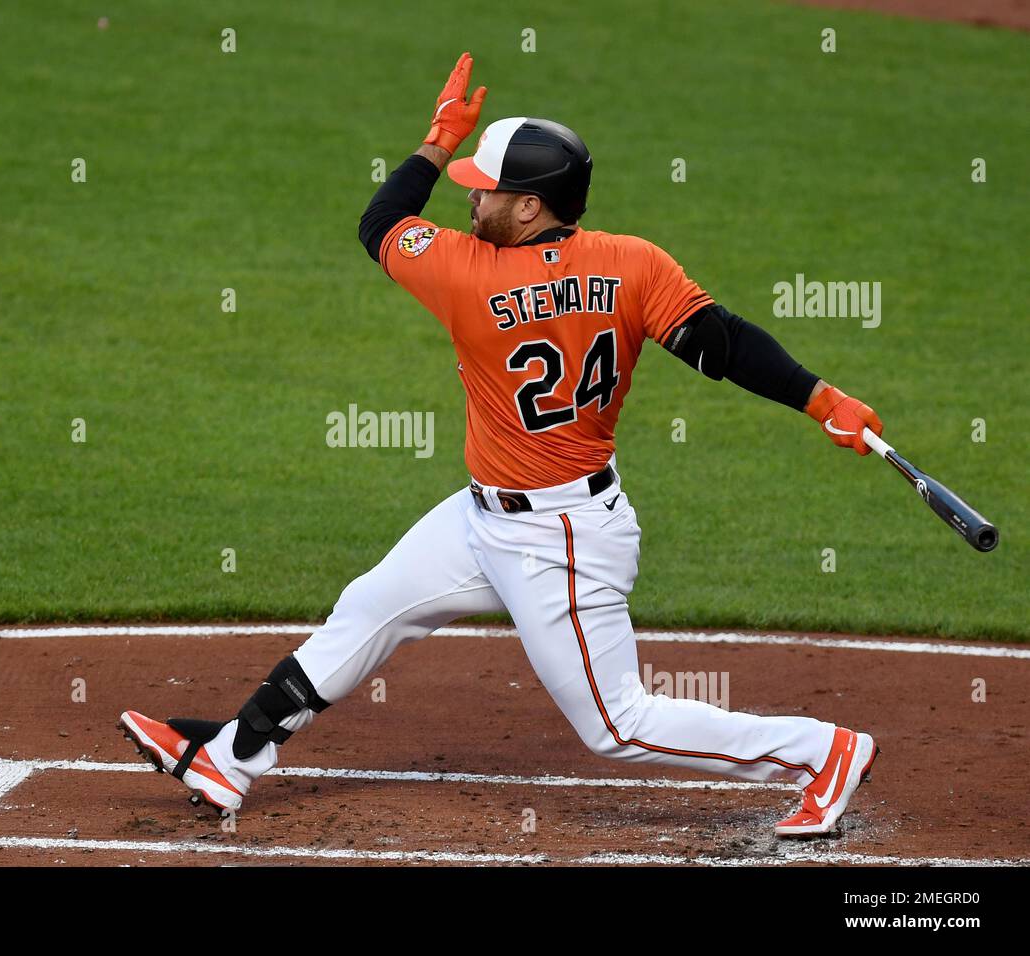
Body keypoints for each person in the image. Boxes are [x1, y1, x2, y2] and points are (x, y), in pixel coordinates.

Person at [119, 53, 882, 837]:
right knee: (371, 608)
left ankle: (820, 752)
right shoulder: (632, 264)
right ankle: (232, 757)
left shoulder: (464, 272)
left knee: (616, 725)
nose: (473, 197)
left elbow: (378, 223)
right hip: (487, 516)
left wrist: (437, 141)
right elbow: (723, 346)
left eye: (486, 188)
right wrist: (823, 399)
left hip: (559, 541)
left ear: (527, 208)